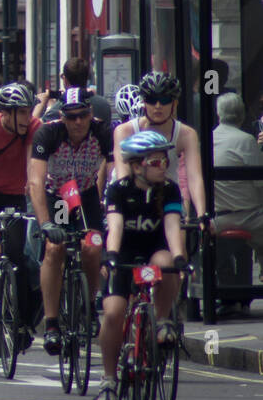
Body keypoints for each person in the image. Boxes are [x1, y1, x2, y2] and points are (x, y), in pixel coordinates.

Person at [95, 132, 187, 400]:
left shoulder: (169, 190)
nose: (163, 165)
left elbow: (172, 227)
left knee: (166, 261)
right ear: (137, 166)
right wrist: (110, 256)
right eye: (156, 161)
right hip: (122, 253)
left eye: (164, 159)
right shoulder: (119, 190)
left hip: (154, 251)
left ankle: (161, 321)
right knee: (113, 313)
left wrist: (180, 257)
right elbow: (116, 227)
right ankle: (109, 380)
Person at [28, 87, 112, 357]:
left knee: (93, 246)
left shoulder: (102, 133)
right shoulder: (48, 133)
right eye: (71, 116)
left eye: (83, 116)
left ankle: (87, 307)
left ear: (91, 114)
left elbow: (116, 171)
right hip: (58, 197)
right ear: (62, 117)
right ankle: (51, 322)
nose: (78, 122)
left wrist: (115, 206)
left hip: (86, 195)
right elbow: (36, 182)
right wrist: (45, 223)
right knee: (55, 249)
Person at [0, 82, 42, 352]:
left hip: (15, 197)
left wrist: (31, 186)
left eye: (29, 111)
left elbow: (32, 162)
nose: (27, 118)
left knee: (20, 260)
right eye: (22, 113)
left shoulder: (34, 128)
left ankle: (22, 323)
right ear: (5, 113)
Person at [112, 71, 209, 229]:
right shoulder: (124, 131)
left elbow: (194, 177)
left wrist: (201, 215)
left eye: (164, 100)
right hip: (131, 200)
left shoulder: (187, 134)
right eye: (151, 100)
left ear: (175, 103)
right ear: (143, 102)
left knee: (180, 245)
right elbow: (124, 174)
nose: (158, 106)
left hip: (167, 198)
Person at [210, 93, 263, 260]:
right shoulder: (246, 140)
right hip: (248, 218)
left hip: (217, 219)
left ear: (219, 114)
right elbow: (259, 182)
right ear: (242, 114)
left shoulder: (207, 140)